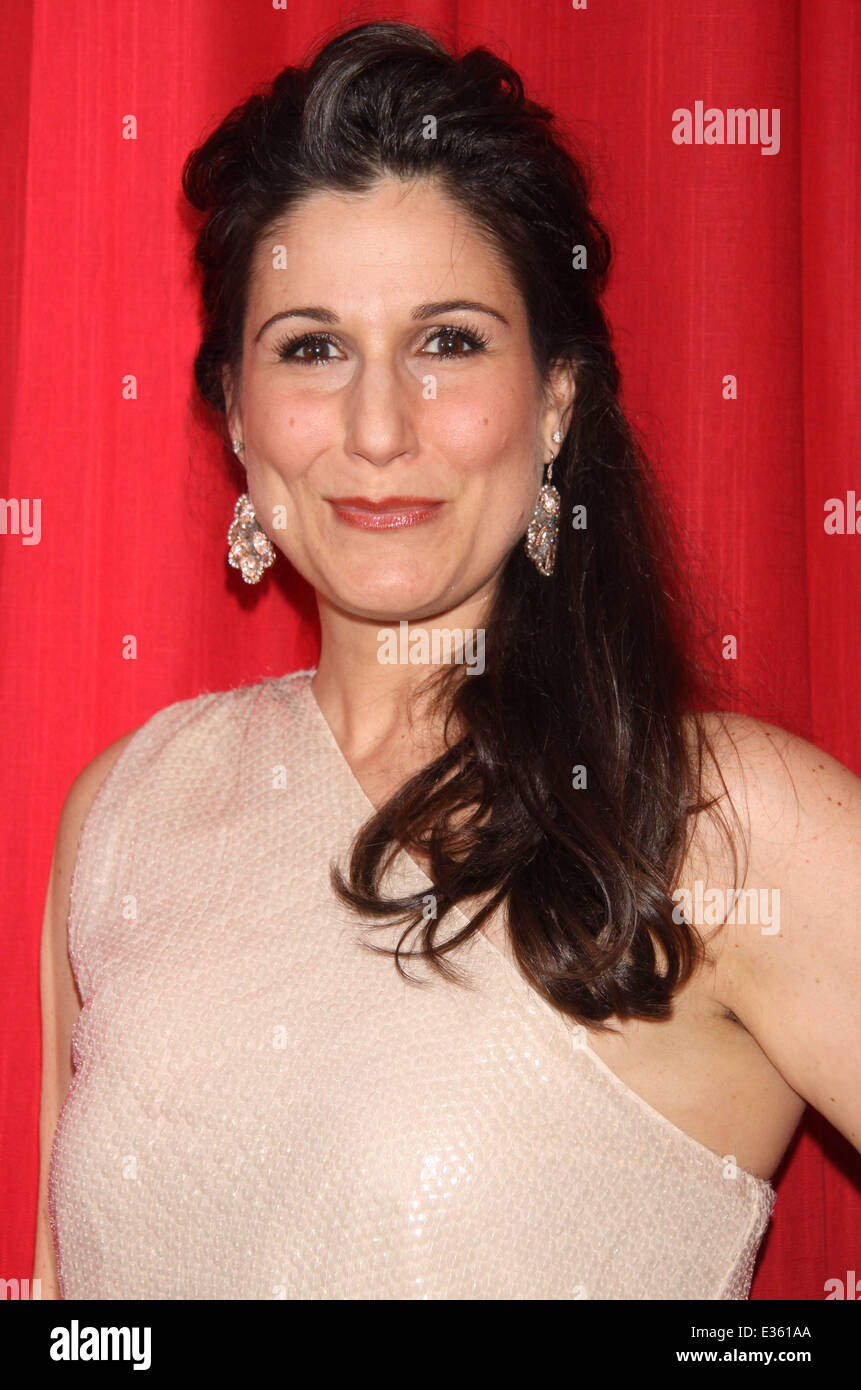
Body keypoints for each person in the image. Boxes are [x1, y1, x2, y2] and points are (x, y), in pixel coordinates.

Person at [34, 19, 860, 1301]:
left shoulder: (728, 824)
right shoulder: (124, 815)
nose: (377, 427)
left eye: (449, 341)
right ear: (236, 411)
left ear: (557, 401)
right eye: (311, 345)